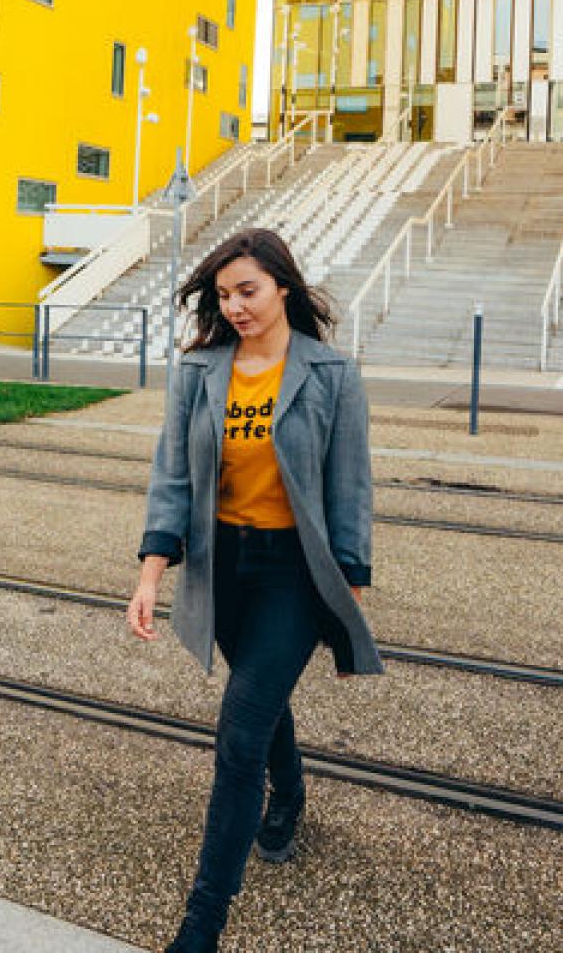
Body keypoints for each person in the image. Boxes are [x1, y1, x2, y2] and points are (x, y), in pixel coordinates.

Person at [129, 227, 382, 953]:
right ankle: (292, 796)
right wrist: (151, 575)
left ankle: (202, 923)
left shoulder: (332, 374)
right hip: (223, 571)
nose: (235, 306)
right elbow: (172, 479)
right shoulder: (199, 372)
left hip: (296, 576)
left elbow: (351, 490)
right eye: (223, 296)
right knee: (258, 701)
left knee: (238, 736)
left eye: (247, 291)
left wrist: (348, 604)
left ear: (283, 288)